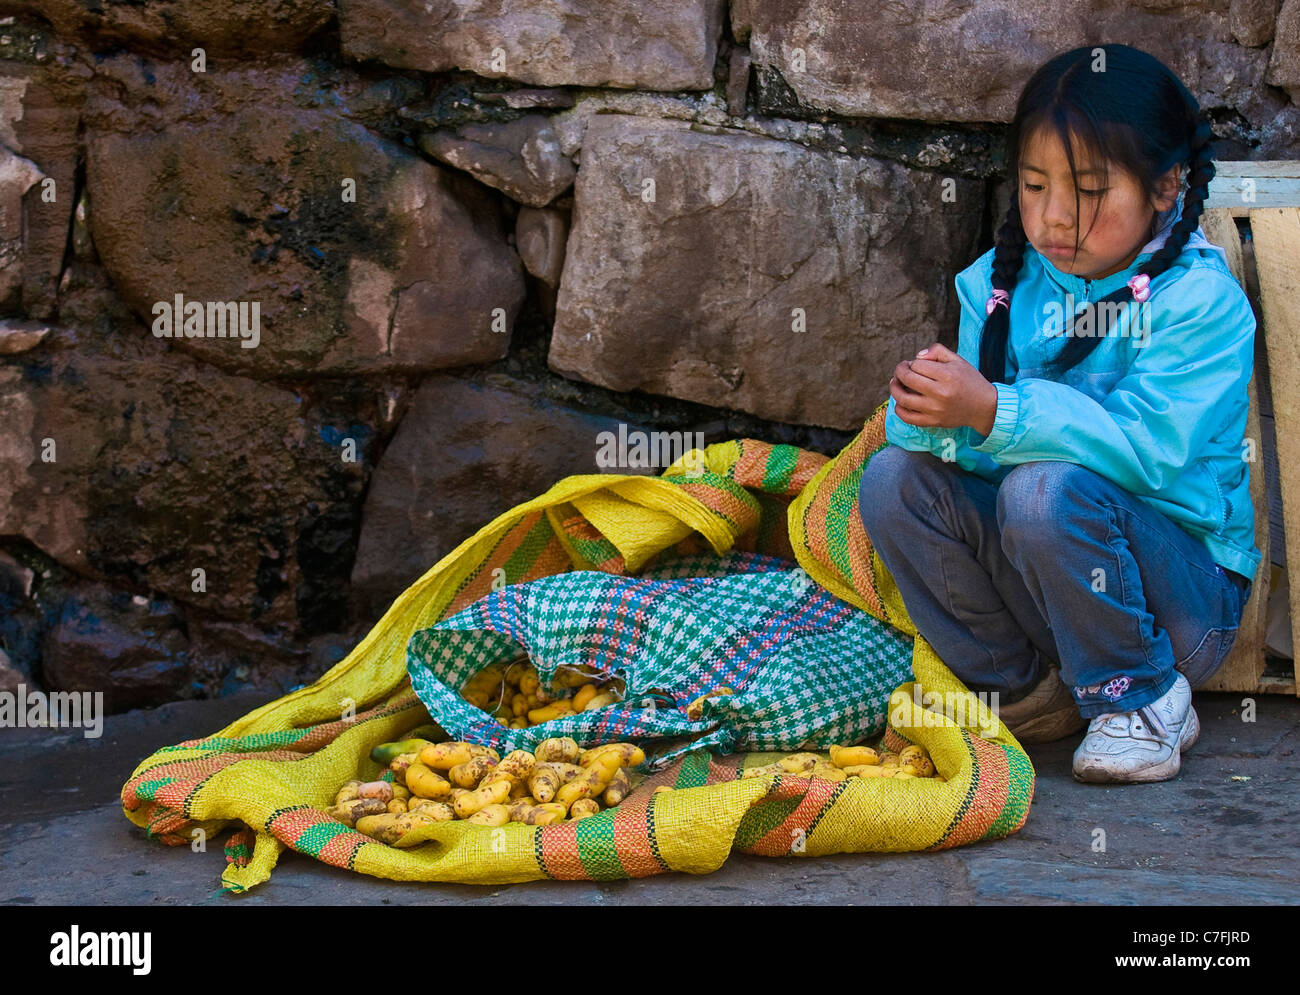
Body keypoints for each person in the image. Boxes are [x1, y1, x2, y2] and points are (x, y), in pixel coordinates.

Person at [857, 43, 1260, 784]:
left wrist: (996, 408)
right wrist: (931, 414)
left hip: (1180, 608)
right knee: (891, 479)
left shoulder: (1198, 303)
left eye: (1089, 190)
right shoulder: (1003, 287)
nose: (1055, 216)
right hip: (1050, 597)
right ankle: (1025, 690)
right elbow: (981, 451)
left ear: (1166, 185)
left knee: (1042, 488)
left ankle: (1140, 694)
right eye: (1035, 186)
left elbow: (1150, 454)